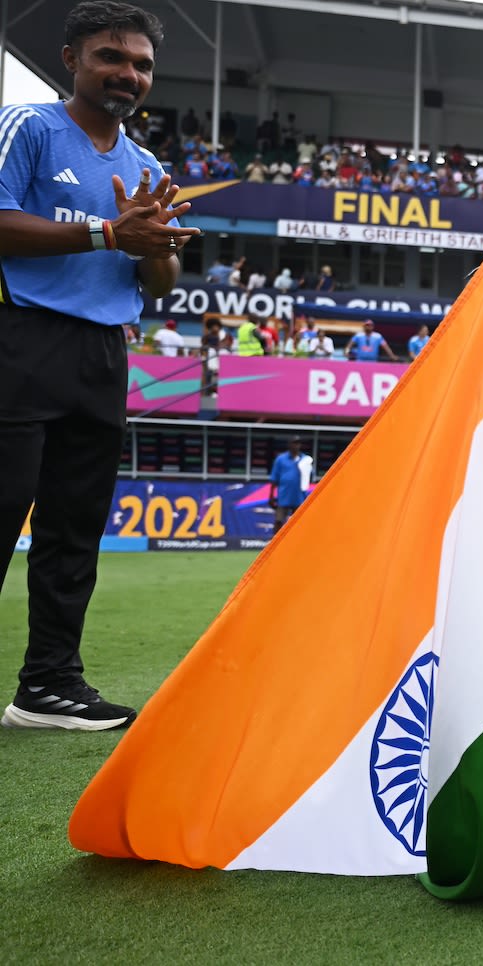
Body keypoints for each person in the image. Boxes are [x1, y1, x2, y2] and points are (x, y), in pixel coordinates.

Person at [0, 1, 199, 731]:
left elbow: (159, 280)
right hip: (20, 337)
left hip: (103, 351)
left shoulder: (146, 165)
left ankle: (47, 687)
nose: (128, 73)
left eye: (141, 63)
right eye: (110, 57)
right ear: (71, 60)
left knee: (74, 529)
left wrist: (154, 248)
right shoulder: (29, 127)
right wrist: (111, 230)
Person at [268, 436, 313, 535]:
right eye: (294, 443)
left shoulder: (305, 460)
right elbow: (274, 478)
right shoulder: (281, 459)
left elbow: (310, 477)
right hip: (284, 495)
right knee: (279, 520)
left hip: (299, 496)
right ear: (289, 444)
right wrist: (271, 496)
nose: (296, 445)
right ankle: (275, 544)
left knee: (299, 523)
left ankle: (297, 544)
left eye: (298, 443)